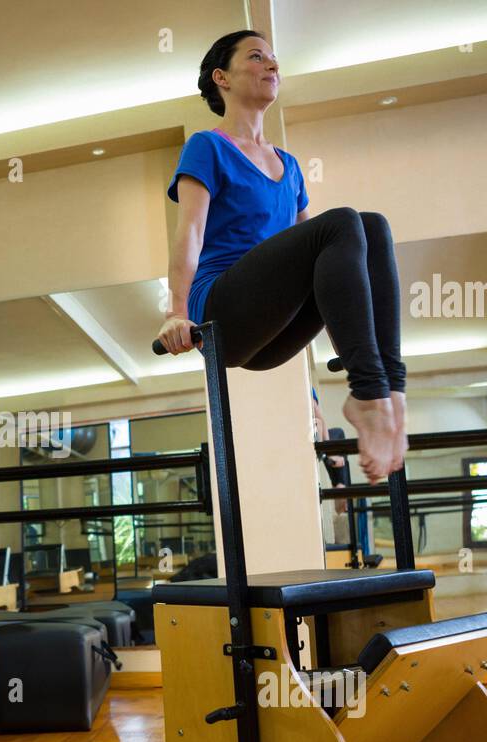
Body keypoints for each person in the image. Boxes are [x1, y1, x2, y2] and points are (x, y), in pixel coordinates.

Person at [155, 30, 408, 484]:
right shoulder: (206, 146)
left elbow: (331, 270)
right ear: (222, 78)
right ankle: (369, 393)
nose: (272, 66)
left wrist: (310, 390)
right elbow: (188, 232)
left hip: (270, 331)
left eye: (274, 59)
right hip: (220, 314)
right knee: (344, 221)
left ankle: (388, 388)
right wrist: (175, 312)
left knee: (370, 227)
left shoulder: (289, 167)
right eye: (257, 57)